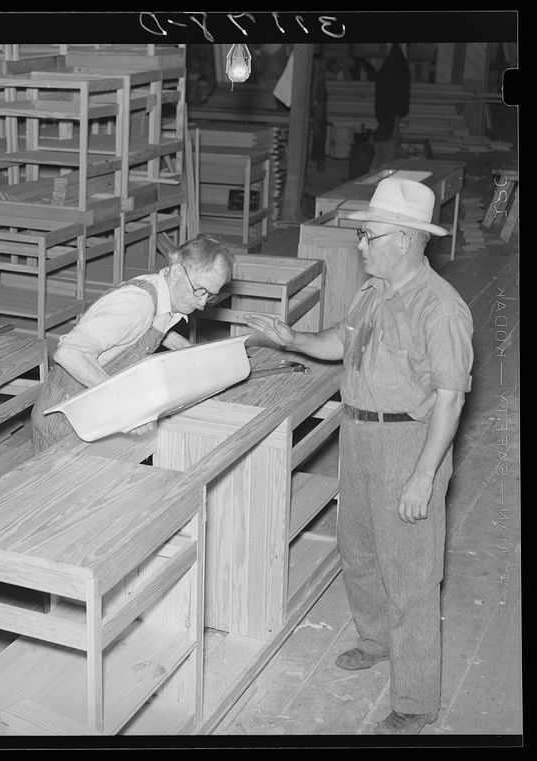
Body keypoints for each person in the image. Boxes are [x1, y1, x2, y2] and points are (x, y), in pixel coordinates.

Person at [244, 178, 473, 736]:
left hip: (407, 444)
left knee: (412, 574)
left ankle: (416, 701)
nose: (361, 247)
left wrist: (423, 475)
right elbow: (341, 344)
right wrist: (290, 339)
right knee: (360, 547)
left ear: (407, 239)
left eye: (370, 237)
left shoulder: (440, 309)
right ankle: (376, 639)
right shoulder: (372, 291)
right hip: (359, 434)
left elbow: (450, 396)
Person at [31, 234, 233, 454]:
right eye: (200, 291)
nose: (203, 303)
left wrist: (190, 353)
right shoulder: (136, 305)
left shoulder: (165, 295)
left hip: (92, 414)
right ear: (176, 271)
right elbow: (69, 353)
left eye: (211, 296)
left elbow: (148, 329)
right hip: (63, 421)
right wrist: (126, 407)